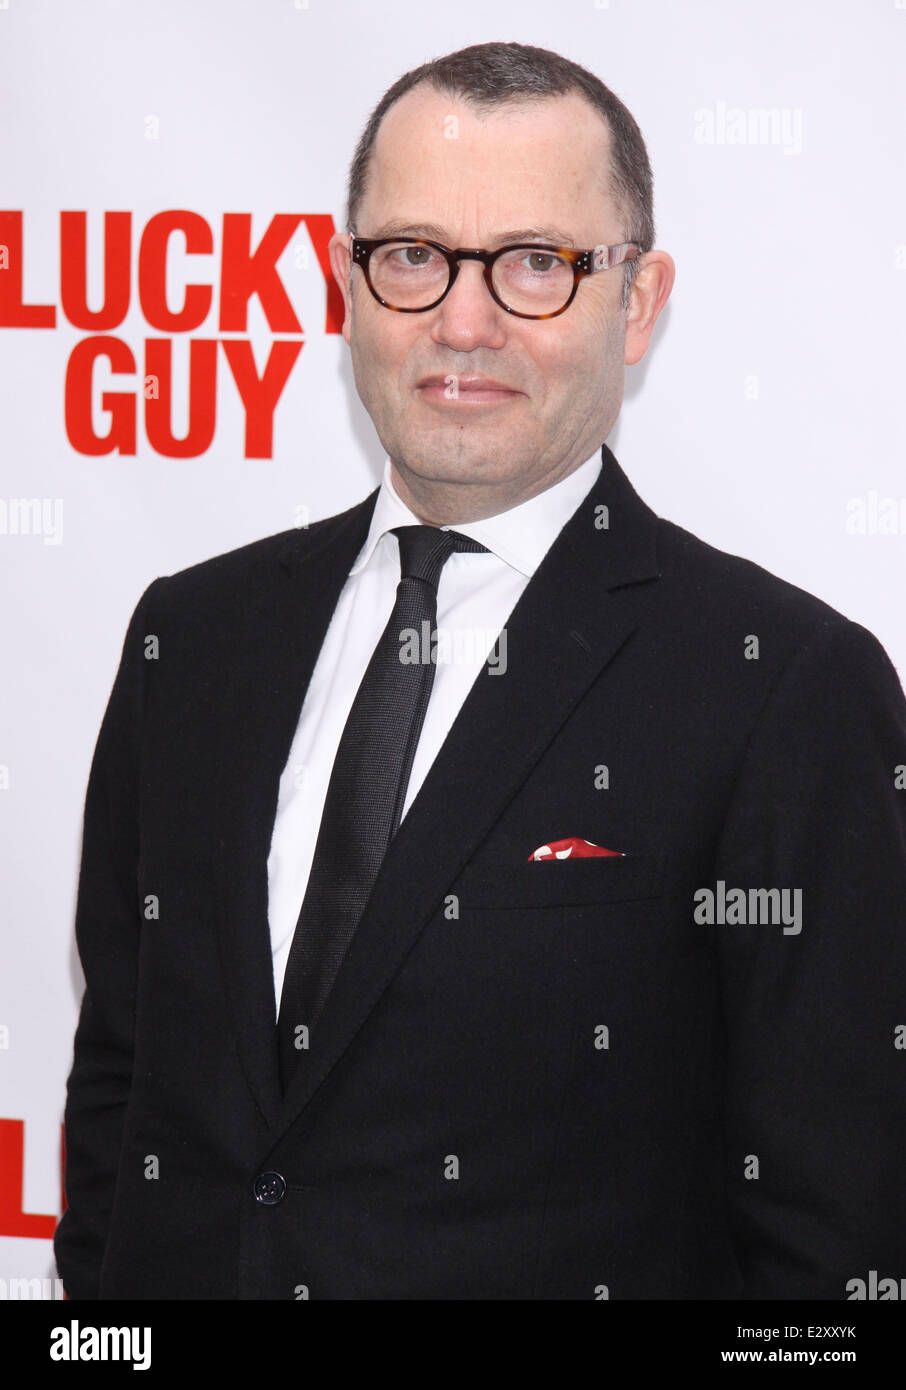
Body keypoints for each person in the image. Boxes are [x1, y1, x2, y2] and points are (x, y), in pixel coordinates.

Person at [55, 41, 906, 1301]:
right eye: (412, 255)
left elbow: (833, 1242)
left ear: (641, 300)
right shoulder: (192, 636)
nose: (463, 321)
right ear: (346, 283)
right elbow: (126, 1081)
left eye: (536, 265)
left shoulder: (788, 686)